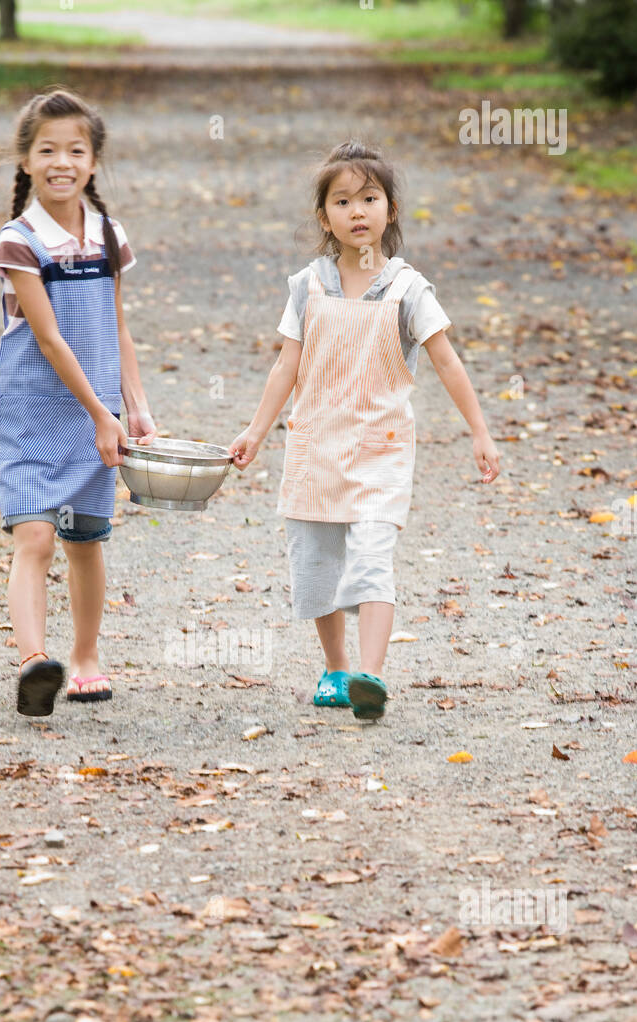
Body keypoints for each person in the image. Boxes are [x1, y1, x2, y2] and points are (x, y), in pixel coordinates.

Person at [228, 140, 500, 721]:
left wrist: (480, 430)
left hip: (381, 449)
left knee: (373, 555)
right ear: (324, 216)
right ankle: (335, 667)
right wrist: (255, 430)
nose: (357, 211)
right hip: (314, 446)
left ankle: (371, 675)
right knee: (319, 564)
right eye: (342, 201)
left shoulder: (408, 289)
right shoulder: (309, 286)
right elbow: (287, 364)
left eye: (369, 198)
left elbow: (447, 361)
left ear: (391, 210)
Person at [0, 88, 156, 716]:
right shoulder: (19, 239)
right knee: (34, 535)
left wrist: (133, 404)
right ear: (26, 161)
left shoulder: (109, 234)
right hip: (34, 410)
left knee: (85, 540)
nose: (62, 161)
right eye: (47, 149)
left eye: (75, 150)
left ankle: (85, 658)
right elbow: (52, 339)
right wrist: (101, 412)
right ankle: (36, 662)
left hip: (99, 413)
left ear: (93, 161)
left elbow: (118, 326)